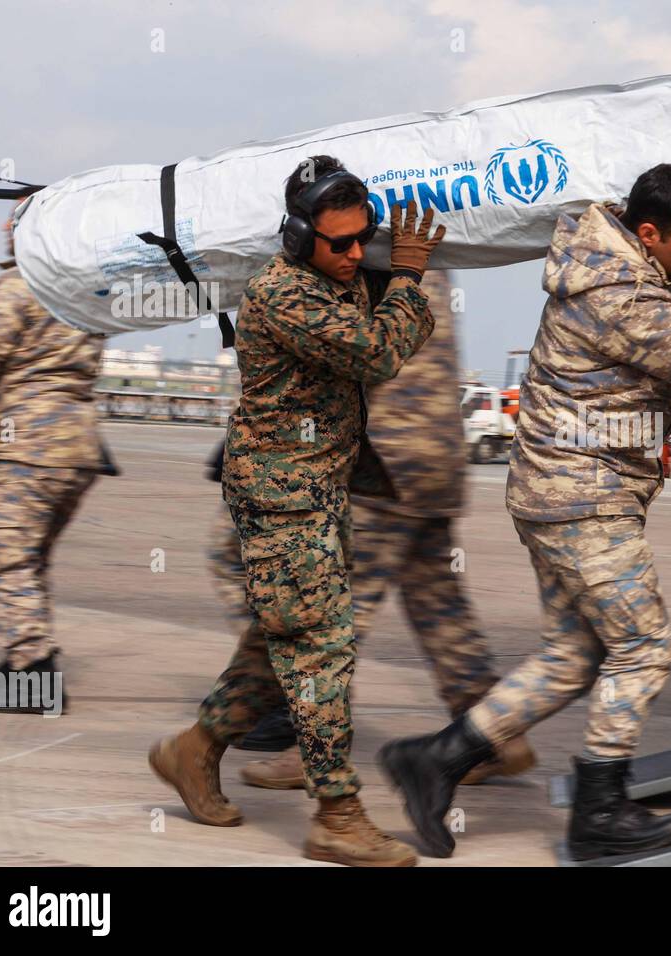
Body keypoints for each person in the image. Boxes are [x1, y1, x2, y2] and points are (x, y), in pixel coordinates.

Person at [379, 163, 671, 861]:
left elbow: (668, 273)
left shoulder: (615, 255)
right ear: (649, 233)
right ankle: (598, 811)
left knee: (573, 657)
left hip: (560, 492)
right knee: (645, 649)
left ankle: (437, 760)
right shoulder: (618, 294)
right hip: (581, 500)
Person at [149, 155, 442, 867]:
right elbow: (379, 353)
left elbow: (410, 335)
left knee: (277, 643)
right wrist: (403, 277)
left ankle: (192, 750)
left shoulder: (333, 281)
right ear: (294, 237)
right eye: (336, 243)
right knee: (320, 650)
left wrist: (391, 283)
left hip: (319, 489)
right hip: (281, 498)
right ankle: (337, 815)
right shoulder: (285, 295)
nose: (351, 255)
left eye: (359, 242)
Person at [218, 269, 535, 789]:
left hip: (385, 458)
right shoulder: (425, 255)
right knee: (441, 612)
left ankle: (311, 752)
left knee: (333, 614)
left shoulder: (364, 259)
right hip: (435, 453)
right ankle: (496, 735)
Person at [0, 210, 112, 713]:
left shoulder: (21, 282)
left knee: (2, 552)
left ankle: (31, 670)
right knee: (28, 556)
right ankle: (28, 654)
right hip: (77, 447)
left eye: (15, 224)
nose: (5, 230)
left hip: (30, 442)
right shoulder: (87, 287)